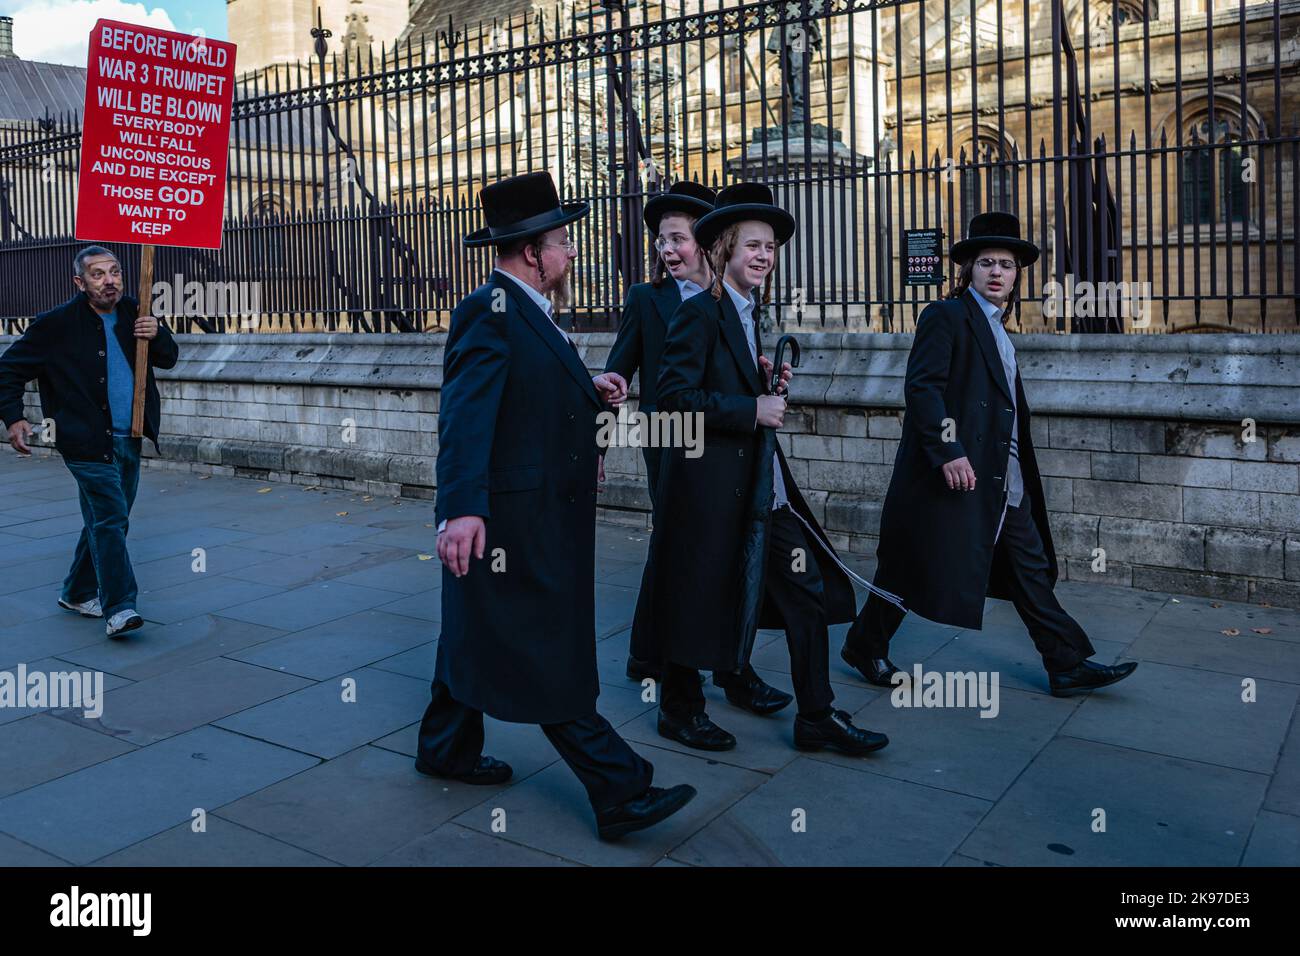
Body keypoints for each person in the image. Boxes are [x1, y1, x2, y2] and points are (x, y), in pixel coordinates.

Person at [416, 171, 696, 841]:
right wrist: (460, 509)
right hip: (517, 520)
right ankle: (619, 790)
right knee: (544, 647)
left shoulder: (531, 310)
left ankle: (445, 747)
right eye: (563, 243)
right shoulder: (489, 309)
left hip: (538, 508)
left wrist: (586, 392)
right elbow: (464, 416)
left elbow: (527, 401)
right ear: (531, 251)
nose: (571, 254)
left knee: (476, 624)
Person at [840, 211, 1139, 698]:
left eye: (1006, 264)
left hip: (1004, 478)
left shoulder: (1000, 329)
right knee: (911, 564)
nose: (997, 272)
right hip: (956, 474)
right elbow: (923, 390)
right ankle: (864, 644)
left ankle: (1065, 664)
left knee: (1030, 568)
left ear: (1017, 273)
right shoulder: (945, 316)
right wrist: (948, 450)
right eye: (986, 263)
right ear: (968, 271)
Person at [649, 181, 889, 756]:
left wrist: (759, 383)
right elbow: (671, 399)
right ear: (723, 250)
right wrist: (749, 408)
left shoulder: (744, 312)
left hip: (760, 491)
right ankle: (679, 711)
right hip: (713, 493)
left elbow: (718, 382)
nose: (763, 256)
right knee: (699, 595)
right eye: (752, 245)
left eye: (771, 248)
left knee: (804, 589)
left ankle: (817, 716)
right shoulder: (698, 313)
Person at [0, 245, 178, 638]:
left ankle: (77, 591)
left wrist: (159, 334)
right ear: (80, 282)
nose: (109, 280)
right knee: (111, 519)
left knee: (107, 518)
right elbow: (7, 371)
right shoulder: (55, 325)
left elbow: (167, 358)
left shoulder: (136, 310)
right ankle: (120, 606)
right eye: (98, 274)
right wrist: (14, 418)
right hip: (83, 441)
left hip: (129, 436)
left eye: (114, 271)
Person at [603, 180, 715, 684]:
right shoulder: (647, 298)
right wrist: (598, 447)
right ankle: (650, 655)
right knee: (672, 543)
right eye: (662, 241)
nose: (668, 250)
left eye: (678, 239)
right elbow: (616, 376)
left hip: (724, 437)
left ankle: (715, 658)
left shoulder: (731, 296)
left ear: (708, 242)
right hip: (670, 436)